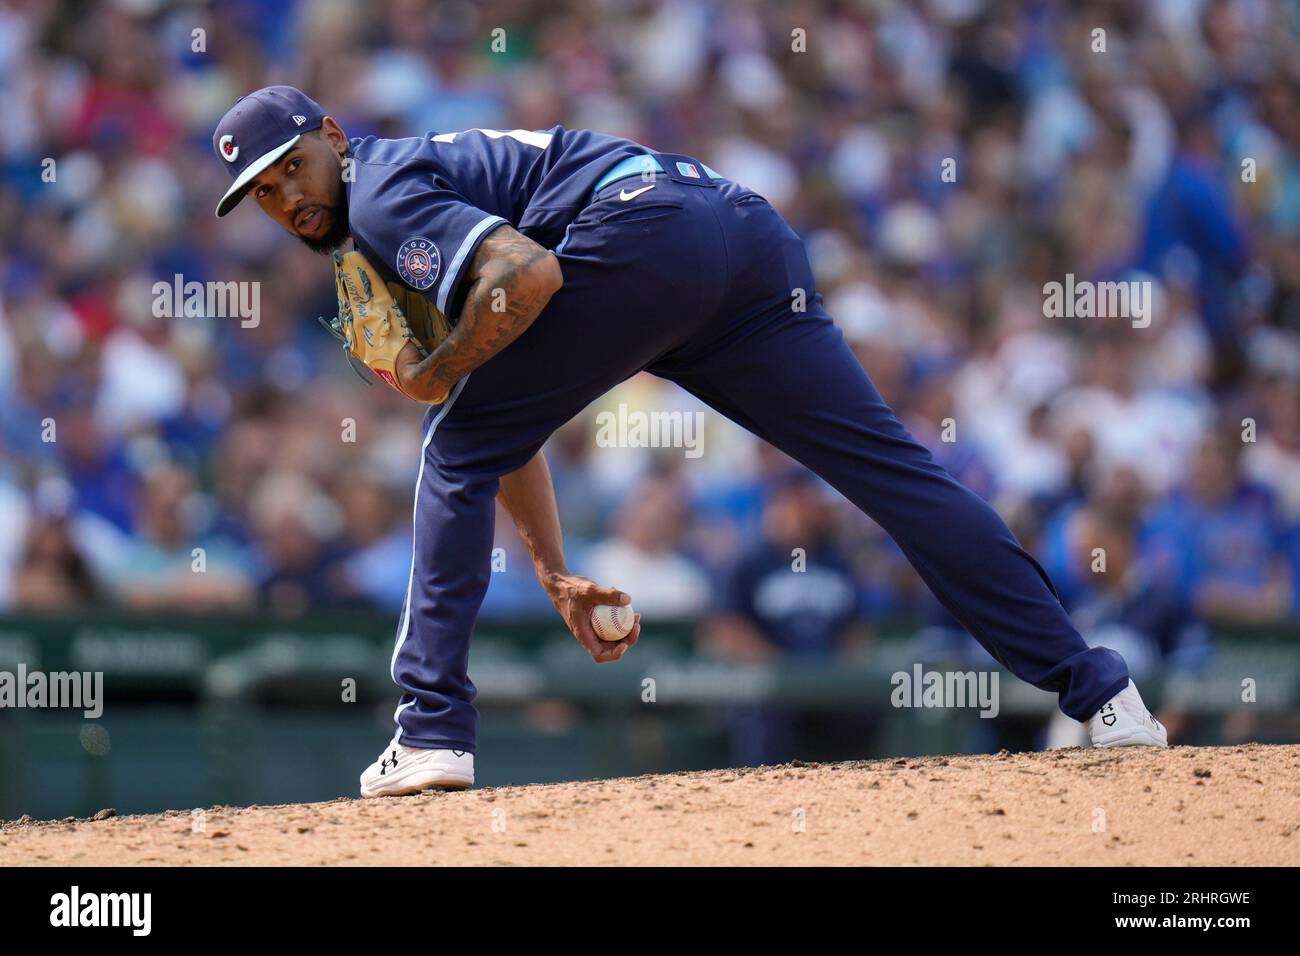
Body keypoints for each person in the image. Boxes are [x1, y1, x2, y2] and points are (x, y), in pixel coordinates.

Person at [210, 86, 1166, 798]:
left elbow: (526, 276)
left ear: (333, 136)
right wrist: (550, 569)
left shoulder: (377, 196)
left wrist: (440, 369)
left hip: (643, 236)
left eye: (293, 164)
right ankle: (1103, 698)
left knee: (446, 445)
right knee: (893, 473)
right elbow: (506, 416)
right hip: (737, 233)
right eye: (262, 190)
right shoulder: (397, 184)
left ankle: (429, 730)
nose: (287, 195)